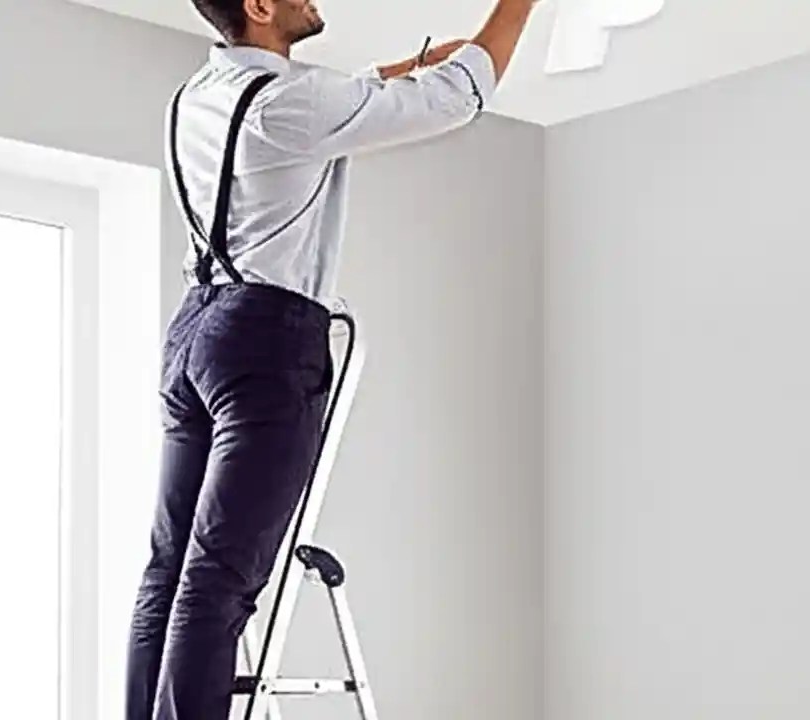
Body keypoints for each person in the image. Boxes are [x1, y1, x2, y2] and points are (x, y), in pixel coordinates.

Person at [125, 1, 539, 718]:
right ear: (258, 6)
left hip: (194, 332)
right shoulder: (291, 103)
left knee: (168, 573)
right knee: (219, 582)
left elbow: (336, 101)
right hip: (263, 340)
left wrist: (403, 68)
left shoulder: (195, 97)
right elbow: (462, 95)